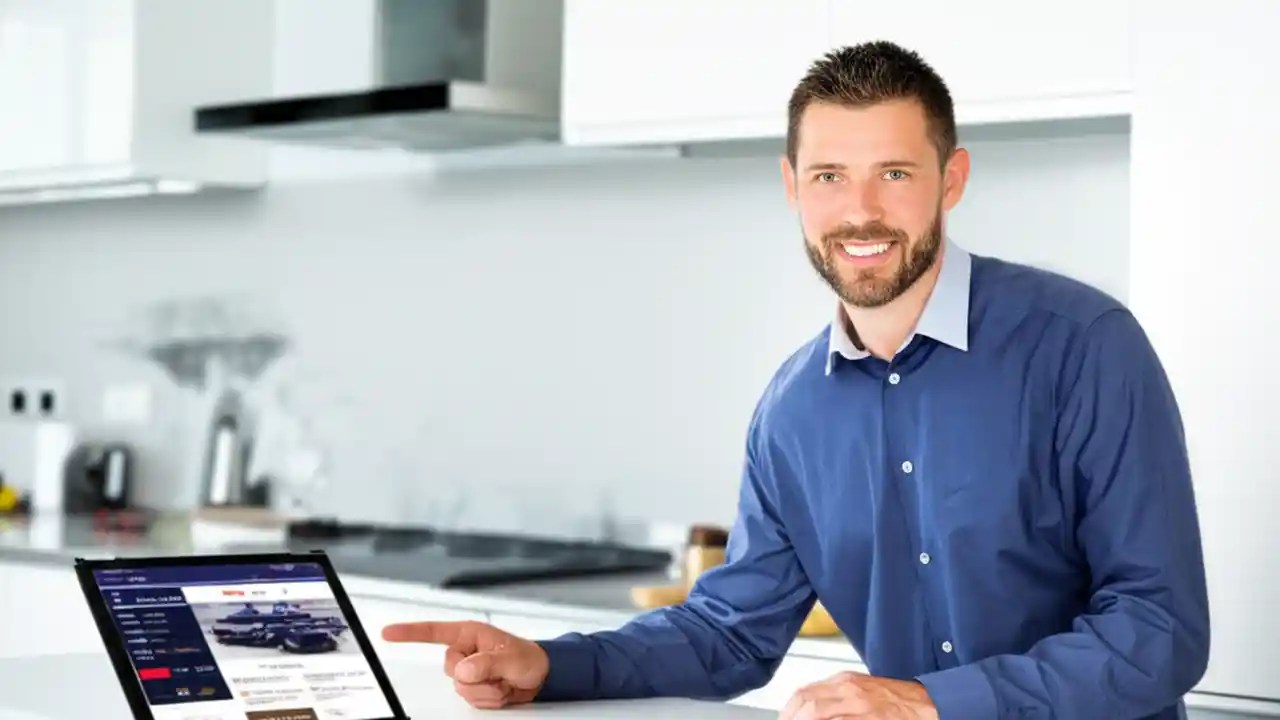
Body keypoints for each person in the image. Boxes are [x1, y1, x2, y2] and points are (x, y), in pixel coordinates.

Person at [382, 41, 1210, 720]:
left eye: (893, 173)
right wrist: (550, 665)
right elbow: (730, 633)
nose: (860, 212)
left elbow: (1159, 630)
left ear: (950, 180)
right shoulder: (793, 410)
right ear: (792, 187)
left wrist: (929, 702)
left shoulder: (1083, 348)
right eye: (828, 178)